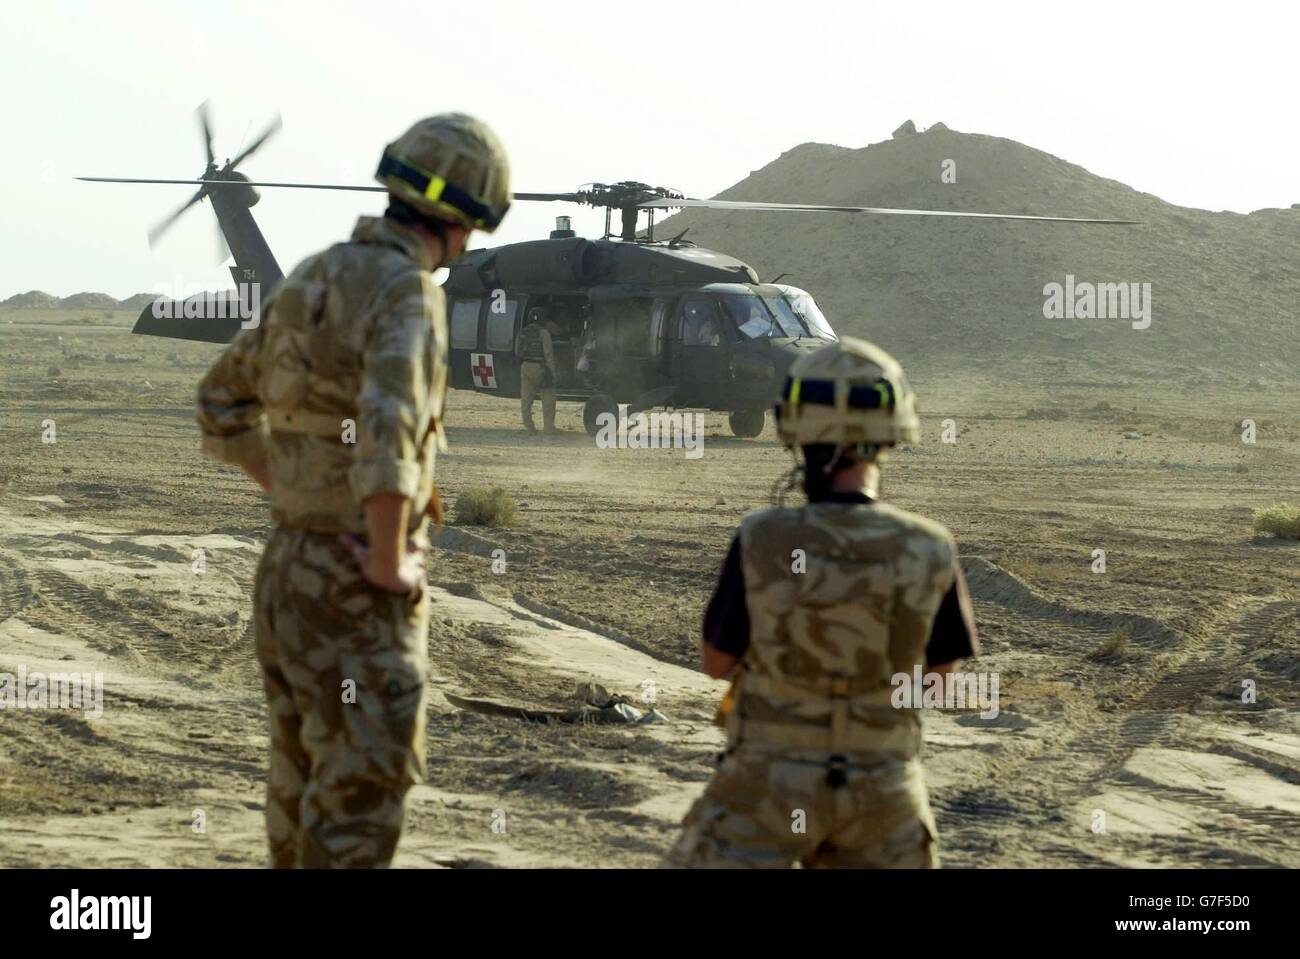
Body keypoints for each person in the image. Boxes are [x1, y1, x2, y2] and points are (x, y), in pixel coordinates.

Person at [195, 113, 510, 868]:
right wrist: (388, 558)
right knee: (358, 809)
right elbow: (389, 425)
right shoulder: (408, 292)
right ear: (467, 214)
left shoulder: (314, 274)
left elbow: (220, 401)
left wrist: (295, 491)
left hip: (288, 568)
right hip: (353, 579)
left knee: (299, 788)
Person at [664, 336, 979, 868]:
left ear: (794, 428)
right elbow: (937, 681)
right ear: (891, 435)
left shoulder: (762, 537)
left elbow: (716, 663)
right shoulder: (931, 546)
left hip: (767, 784)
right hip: (882, 791)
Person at [516, 307, 559, 433]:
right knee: (548, 398)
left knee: (526, 399)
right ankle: (548, 427)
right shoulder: (543, 333)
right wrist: (552, 373)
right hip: (540, 367)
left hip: (525, 366)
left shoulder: (522, 332)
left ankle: (529, 426)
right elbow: (548, 355)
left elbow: (517, 352)